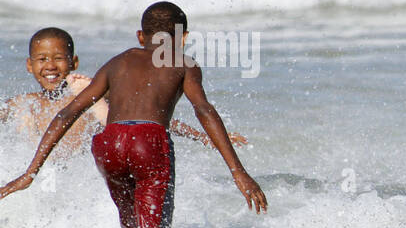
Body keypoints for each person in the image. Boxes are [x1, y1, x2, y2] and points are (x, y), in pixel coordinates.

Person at [0, 2, 267, 228]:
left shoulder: (118, 62)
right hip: (149, 144)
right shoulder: (183, 62)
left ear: (141, 36)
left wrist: (30, 172)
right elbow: (203, 108)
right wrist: (238, 171)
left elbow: (67, 113)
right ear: (183, 38)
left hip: (108, 145)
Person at [1, 27, 246, 153]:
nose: (51, 66)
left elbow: (149, 119)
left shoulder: (92, 95)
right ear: (29, 66)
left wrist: (203, 137)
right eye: (42, 60)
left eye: (58, 58)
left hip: (79, 185)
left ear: (73, 63)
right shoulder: (22, 104)